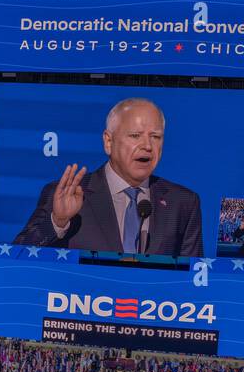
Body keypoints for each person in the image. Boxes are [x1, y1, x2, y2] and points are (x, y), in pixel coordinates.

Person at [13, 98, 203, 257]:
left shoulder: (183, 203)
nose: (147, 145)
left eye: (155, 137)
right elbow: (18, 256)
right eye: (135, 135)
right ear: (108, 141)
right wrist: (58, 222)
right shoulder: (68, 194)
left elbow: (193, 278)